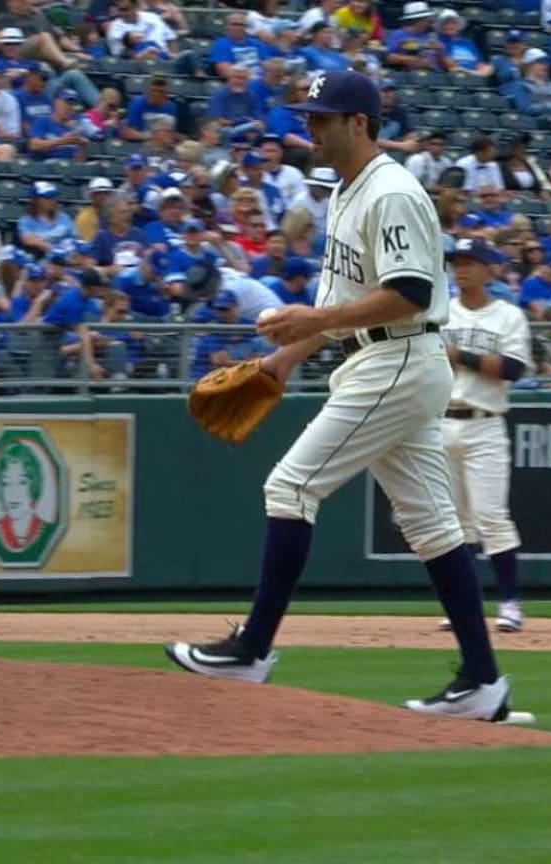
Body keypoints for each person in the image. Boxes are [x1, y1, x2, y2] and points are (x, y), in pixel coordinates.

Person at [165, 70, 511, 721]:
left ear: (360, 123)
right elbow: (339, 302)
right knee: (433, 524)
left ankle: (252, 649)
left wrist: (314, 326)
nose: (312, 127)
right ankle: (483, 682)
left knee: (291, 487)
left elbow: (408, 291)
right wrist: (281, 361)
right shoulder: (347, 193)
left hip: (399, 358)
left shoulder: (393, 191)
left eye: (324, 117)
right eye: (310, 115)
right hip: (378, 358)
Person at [435, 239, 532, 633]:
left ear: (489, 269)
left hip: (485, 423)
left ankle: (510, 604)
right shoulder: (440, 313)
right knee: (455, 524)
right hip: (442, 422)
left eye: (471, 262)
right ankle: (464, 607)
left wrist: (463, 357)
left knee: (492, 517)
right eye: (457, 262)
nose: (462, 269)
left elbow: (512, 369)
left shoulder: (508, 316)